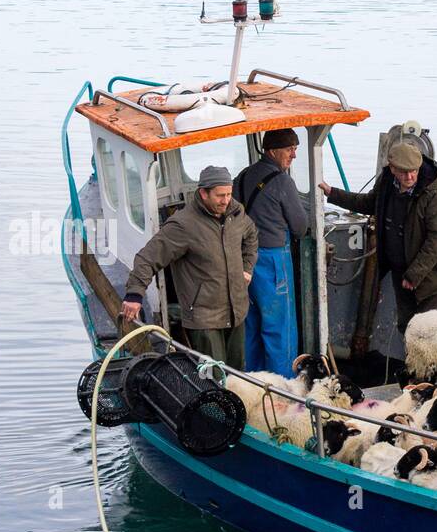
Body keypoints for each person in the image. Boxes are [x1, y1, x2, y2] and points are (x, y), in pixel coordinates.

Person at [120, 165, 258, 368]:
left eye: (229, 194)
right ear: (203, 193)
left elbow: (251, 235)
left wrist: (247, 268)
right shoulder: (183, 225)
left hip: (236, 312)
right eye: (220, 196)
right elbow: (147, 258)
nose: (226, 200)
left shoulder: (235, 213)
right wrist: (134, 295)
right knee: (213, 377)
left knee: (237, 375)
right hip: (204, 318)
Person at [319, 141, 437, 332]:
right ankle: (410, 362)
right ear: (392, 169)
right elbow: (369, 203)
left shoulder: (435, 195)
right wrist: (333, 194)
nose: (410, 176)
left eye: (413, 171)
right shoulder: (387, 183)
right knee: (407, 327)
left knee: (431, 332)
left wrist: (414, 275)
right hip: (401, 270)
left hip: (431, 277)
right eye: (404, 172)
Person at [235, 128, 309, 376]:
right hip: (273, 260)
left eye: (295, 149)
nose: (294, 155)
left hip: (245, 260)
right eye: (290, 150)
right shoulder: (283, 181)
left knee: (252, 325)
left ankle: (253, 380)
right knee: (280, 329)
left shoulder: (244, 176)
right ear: (273, 151)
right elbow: (300, 227)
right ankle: (284, 387)